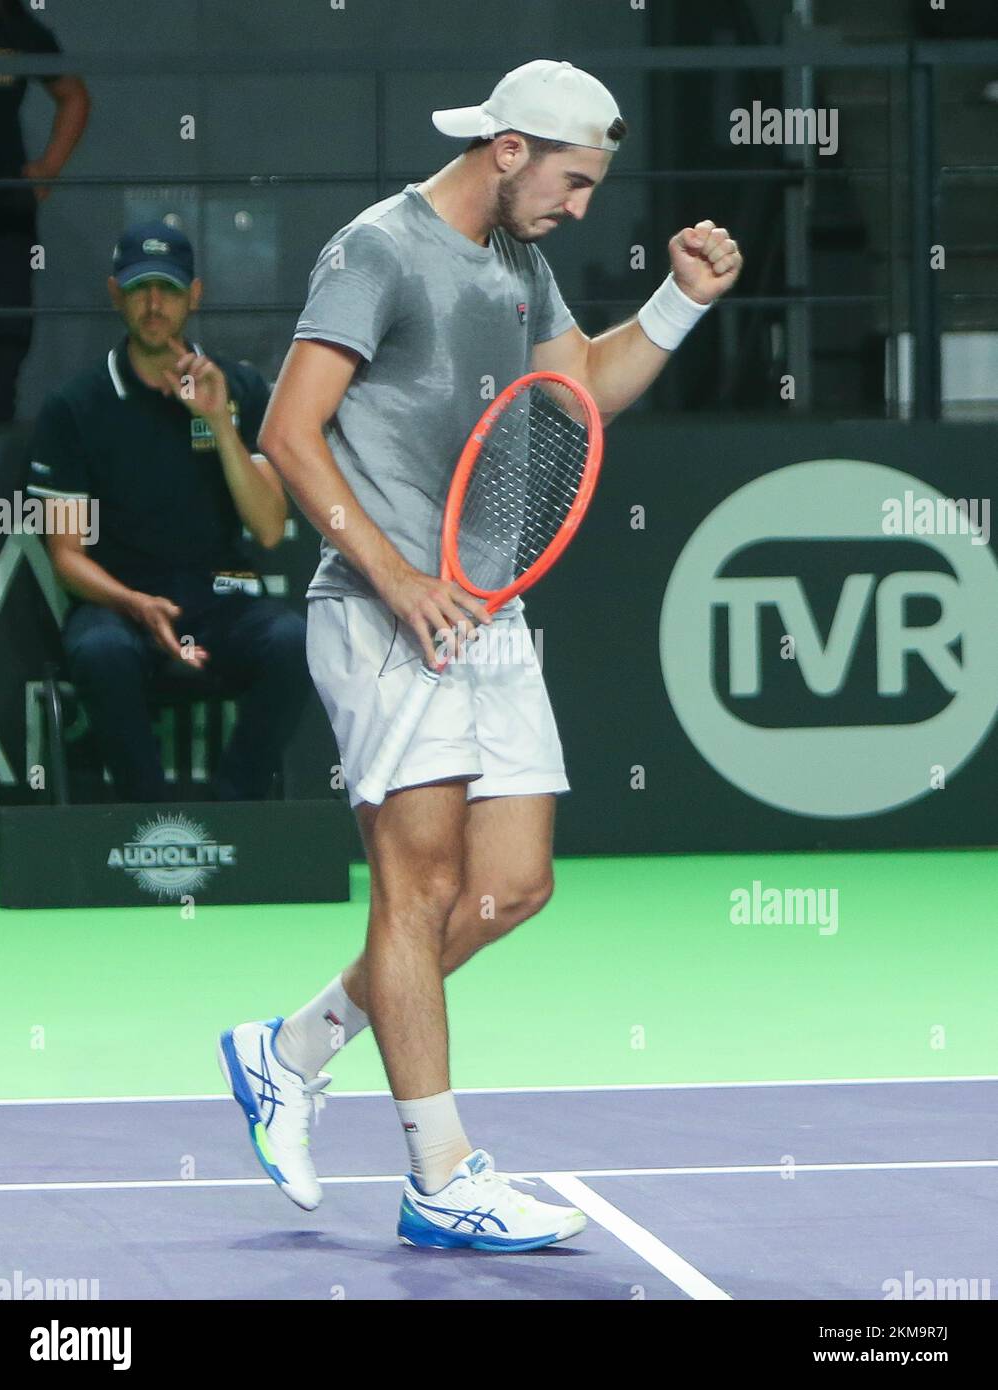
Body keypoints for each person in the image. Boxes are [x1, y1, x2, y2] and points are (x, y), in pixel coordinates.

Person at [219, 59, 742, 1251]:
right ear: (508, 151)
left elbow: (578, 392)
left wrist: (680, 300)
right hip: (380, 610)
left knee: (510, 885)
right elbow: (288, 435)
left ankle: (290, 1050)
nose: (580, 206)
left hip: (485, 618)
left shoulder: (520, 266)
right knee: (421, 891)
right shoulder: (376, 252)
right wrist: (398, 580)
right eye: (572, 181)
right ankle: (439, 1175)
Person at [26, 220, 309, 802]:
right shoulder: (74, 408)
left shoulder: (243, 389)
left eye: (169, 289)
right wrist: (133, 602)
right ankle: (149, 820)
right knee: (98, 650)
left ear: (194, 296)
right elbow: (66, 557)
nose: (154, 305)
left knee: (293, 642)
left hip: (222, 595)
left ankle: (235, 814)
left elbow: (268, 528)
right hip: (119, 603)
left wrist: (219, 424)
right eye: (139, 289)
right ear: (115, 294)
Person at [0, 0, 89, 422]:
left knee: (1, 341)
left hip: (3, 210)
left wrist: (47, 169)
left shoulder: (18, 27)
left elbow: (74, 96)